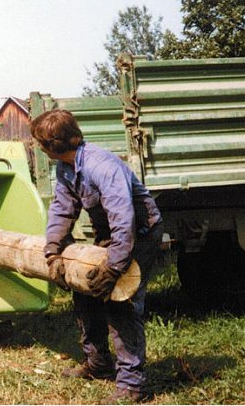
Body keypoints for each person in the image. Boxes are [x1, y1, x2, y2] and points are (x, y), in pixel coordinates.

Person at [30, 109, 163, 403]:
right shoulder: (65, 168)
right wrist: (53, 250)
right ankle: (99, 363)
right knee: (85, 292)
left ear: (54, 145)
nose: (38, 148)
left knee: (121, 303)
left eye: (40, 143)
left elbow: (123, 219)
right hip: (112, 232)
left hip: (138, 232)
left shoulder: (101, 166)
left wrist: (115, 268)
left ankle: (132, 385)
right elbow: (63, 209)